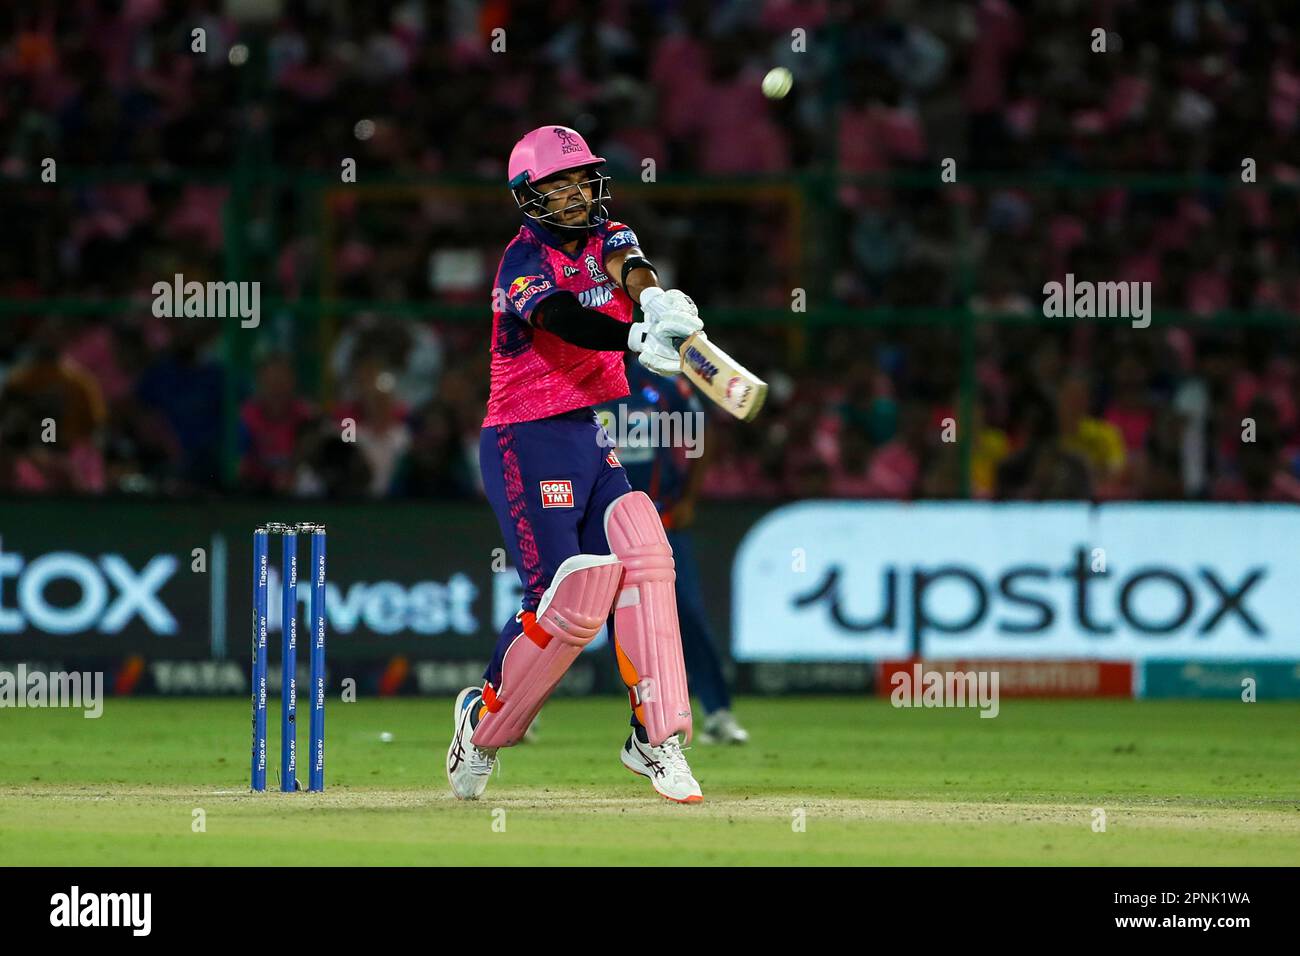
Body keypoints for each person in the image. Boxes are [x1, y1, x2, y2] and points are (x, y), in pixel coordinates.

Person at [447, 125, 707, 803]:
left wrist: (654, 301)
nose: (571, 197)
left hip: (588, 433)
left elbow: (631, 267)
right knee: (566, 602)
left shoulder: (610, 235)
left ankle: (656, 738)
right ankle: (481, 727)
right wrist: (630, 334)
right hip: (524, 436)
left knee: (646, 557)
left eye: (579, 181)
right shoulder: (520, 260)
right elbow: (560, 316)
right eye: (554, 187)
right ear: (528, 198)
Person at [597, 360, 750, 744]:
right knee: (565, 618)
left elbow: (703, 430)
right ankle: (520, 709)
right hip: (596, 524)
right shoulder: (580, 378)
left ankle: (717, 713)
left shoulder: (661, 383)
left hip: (658, 521)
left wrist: (690, 499)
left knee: (688, 615)